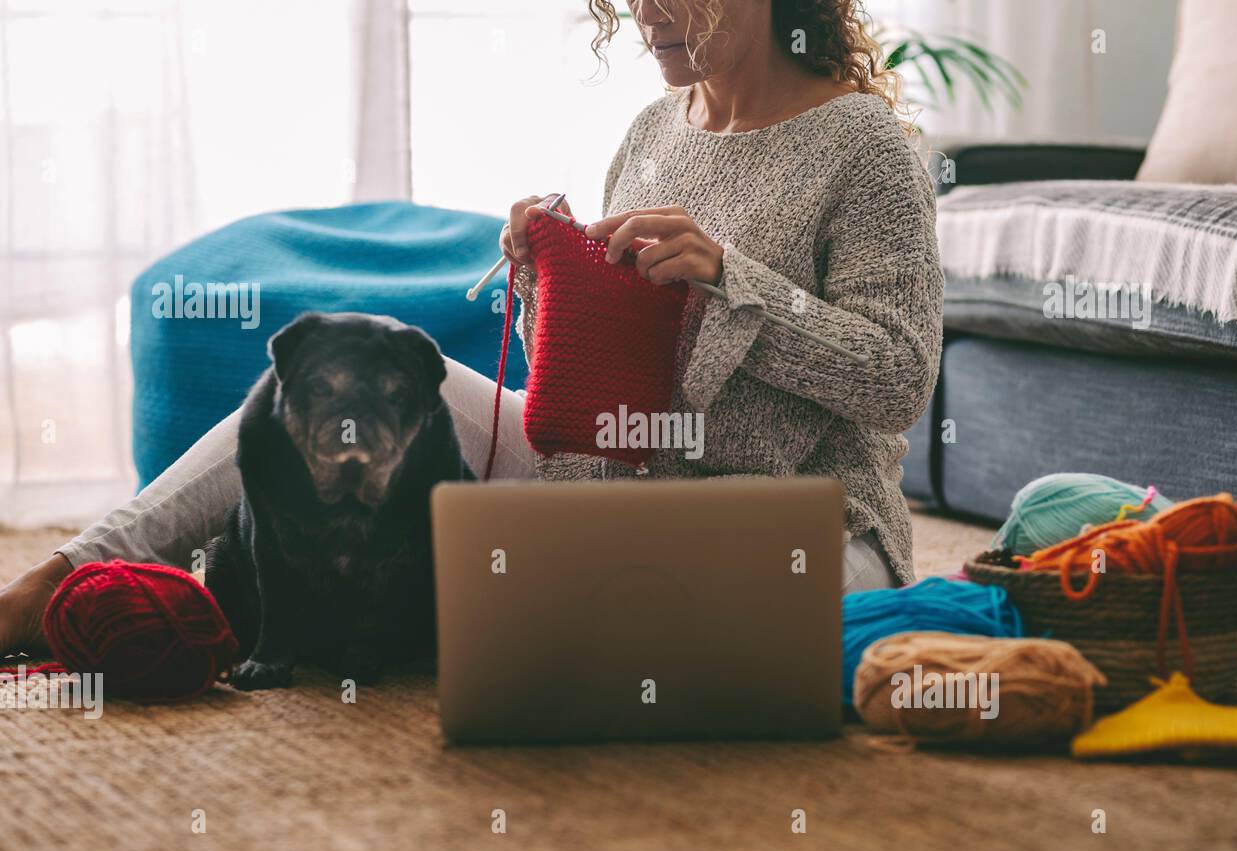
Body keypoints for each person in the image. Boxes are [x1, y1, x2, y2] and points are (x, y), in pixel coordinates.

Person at [0, 0, 942, 654]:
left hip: (795, 511)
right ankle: (65, 579)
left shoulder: (862, 146)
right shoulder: (654, 132)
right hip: (619, 483)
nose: (649, 13)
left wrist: (734, 279)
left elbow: (899, 376)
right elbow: (596, 386)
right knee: (353, 348)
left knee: (660, 625)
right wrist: (545, 289)